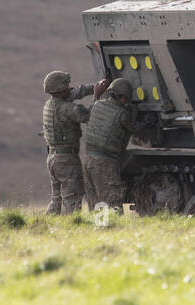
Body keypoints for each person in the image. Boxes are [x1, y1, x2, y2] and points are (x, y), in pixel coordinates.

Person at [41, 70, 107, 214]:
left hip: (53, 158)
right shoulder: (67, 109)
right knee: (73, 199)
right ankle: (73, 225)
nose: (70, 87)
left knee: (56, 199)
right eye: (67, 85)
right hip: (66, 161)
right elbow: (91, 116)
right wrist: (97, 95)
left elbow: (75, 93)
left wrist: (95, 86)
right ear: (60, 89)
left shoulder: (50, 104)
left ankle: (47, 225)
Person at [82, 77, 139, 214]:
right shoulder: (122, 114)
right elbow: (134, 129)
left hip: (88, 160)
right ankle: (112, 232)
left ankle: (99, 230)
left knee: (95, 204)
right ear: (123, 98)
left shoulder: (97, 105)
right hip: (104, 163)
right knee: (113, 202)